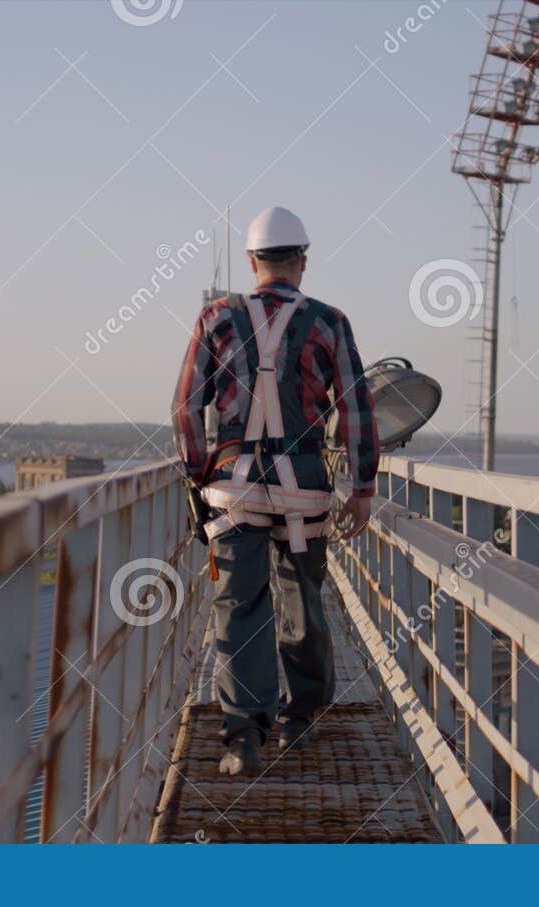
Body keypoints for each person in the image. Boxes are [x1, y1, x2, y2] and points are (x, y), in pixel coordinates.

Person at [172, 206, 379, 776]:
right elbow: (357, 410)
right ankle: (301, 719)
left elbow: (187, 406)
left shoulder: (215, 317)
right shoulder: (330, 322)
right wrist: (361, 488)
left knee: (239, 605)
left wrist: (198, 474)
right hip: (305, 492)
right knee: (303, 602)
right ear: (303, 262)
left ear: (251, 261)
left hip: (233, 489)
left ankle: (244, 737)